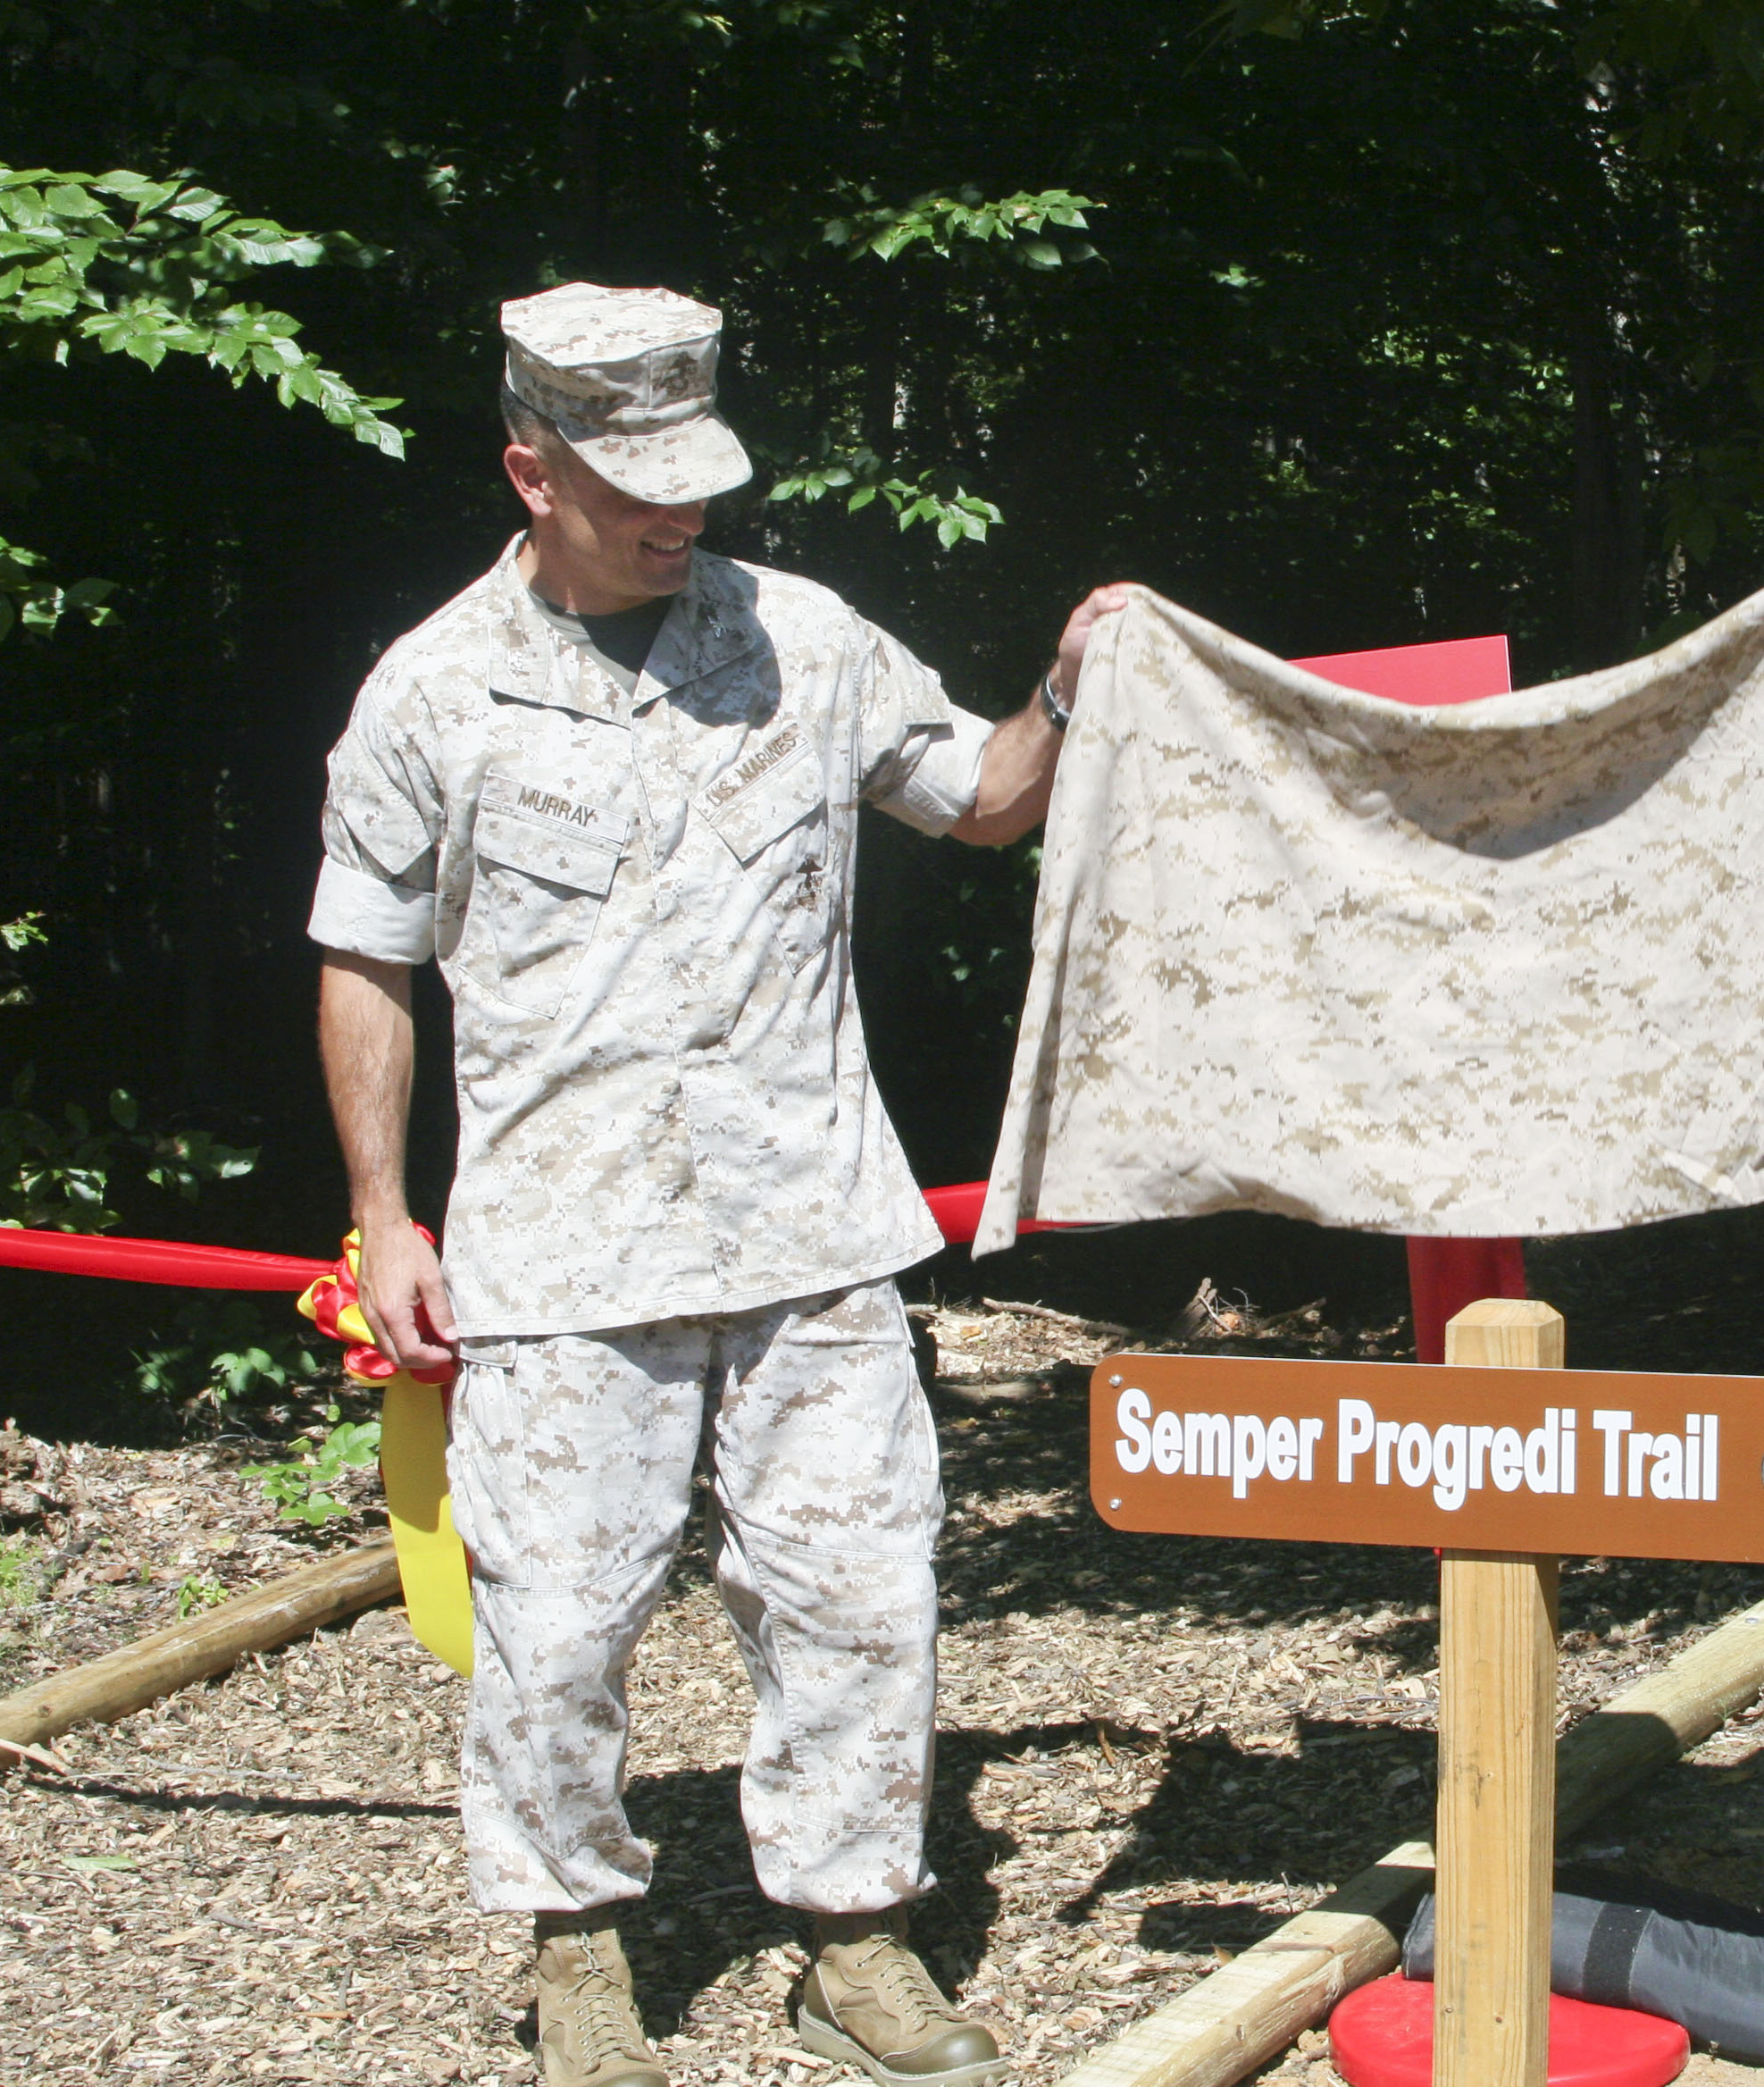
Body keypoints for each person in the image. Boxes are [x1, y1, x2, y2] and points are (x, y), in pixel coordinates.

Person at [308, 280, 1123, 2087]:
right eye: (632, 490)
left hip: (809, 1224)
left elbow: (982, 799)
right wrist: (383, 1210)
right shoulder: (432, 692)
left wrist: (1067, 686)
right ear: (531, 472)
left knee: (857, 1591)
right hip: (561, 1241)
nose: (680, 519)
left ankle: (854, 1938)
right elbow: (362, 955)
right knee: (554, 1620)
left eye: (696, 480)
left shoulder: (808, 639)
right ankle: (578, 1946)